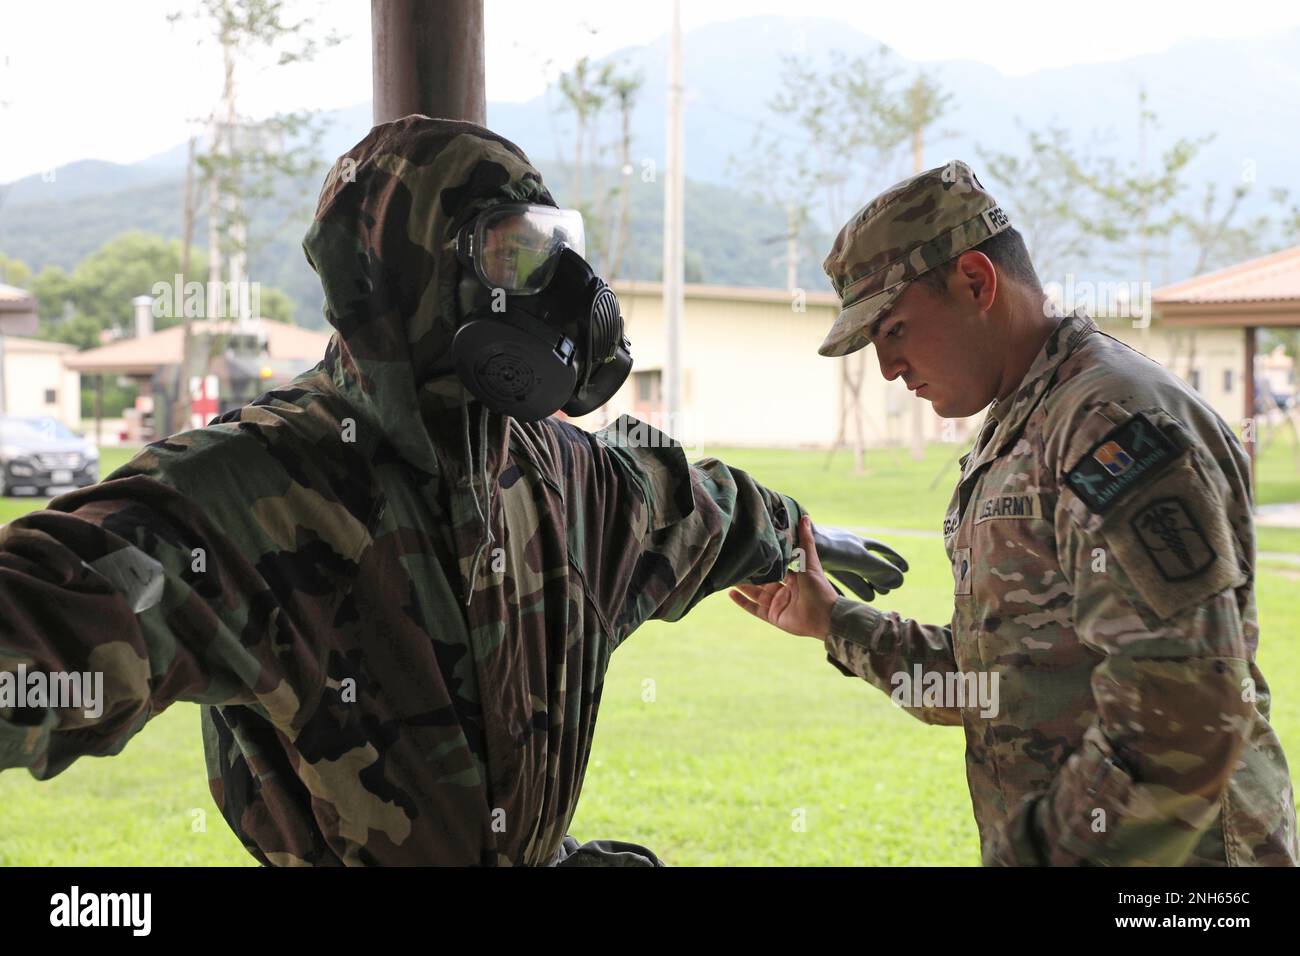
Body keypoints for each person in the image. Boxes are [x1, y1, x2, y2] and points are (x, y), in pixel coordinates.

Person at [0, 116, 908, 867]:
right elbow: (52, 611)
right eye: (508, 255)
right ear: (397, 272)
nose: (553, 292)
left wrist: (797, 531)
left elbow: (698, 504)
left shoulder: (563, 474)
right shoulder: (247, 494)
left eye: (548, 253)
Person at [730, 160, 1299, 866]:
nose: (887, 368)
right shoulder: (1028, 420)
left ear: (976, 282)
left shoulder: (1109, 423)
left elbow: (1180, 712)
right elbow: (999, 681)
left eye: (896, 329)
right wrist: (834, 621)